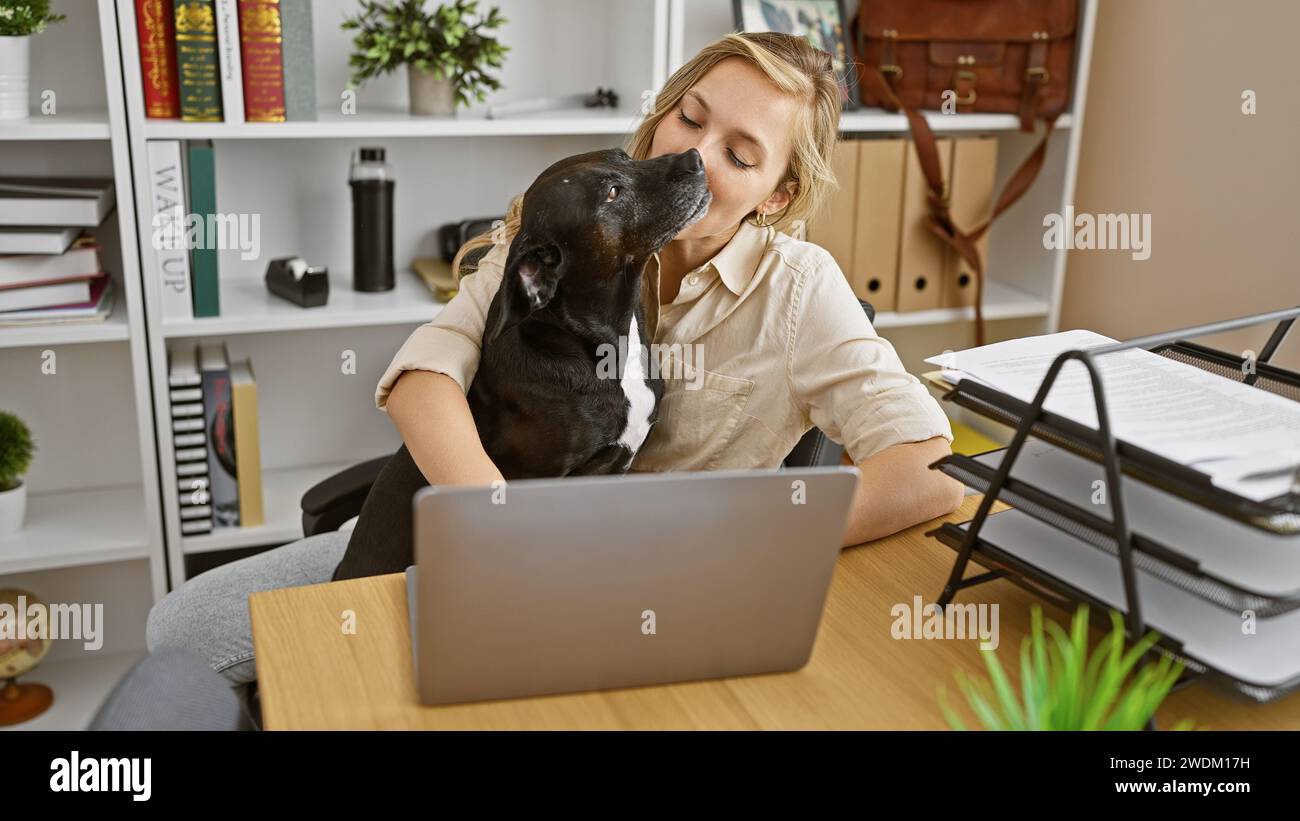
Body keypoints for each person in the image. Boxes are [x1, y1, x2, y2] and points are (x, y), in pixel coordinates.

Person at [146, 32, 965, 714]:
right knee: (178, 632)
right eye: (690, 117)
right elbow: (426, 372)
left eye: (739, 154)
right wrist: (498, 528)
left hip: (645, 602)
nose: (693, 154)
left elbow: (931, 471)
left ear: (777, 197)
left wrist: (740, 533)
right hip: (472, 540)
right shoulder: (572, 218)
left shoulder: (800, 292)